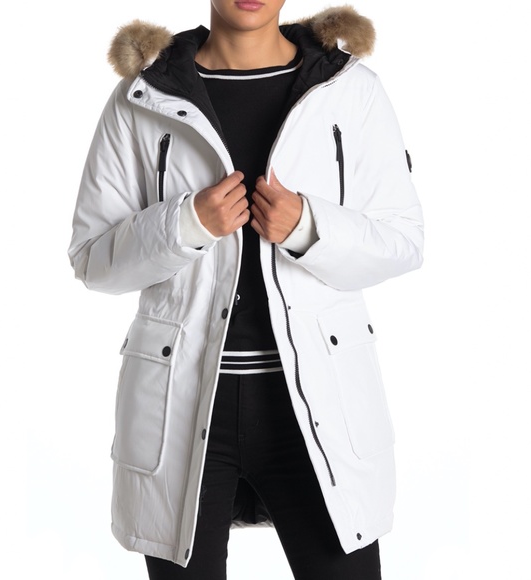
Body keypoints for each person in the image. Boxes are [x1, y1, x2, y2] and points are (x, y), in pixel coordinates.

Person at [68, 2, 423, 578]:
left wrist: (309, 226)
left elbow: (403, 242)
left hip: (317, 401)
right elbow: (93, 259)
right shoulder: (143, 96)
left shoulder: (351, 91)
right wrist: (186, 224)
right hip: (180, 402)